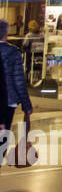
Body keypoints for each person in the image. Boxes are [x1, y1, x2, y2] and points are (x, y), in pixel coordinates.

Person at [0, 20, 33, 161]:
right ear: (6, 33)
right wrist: (26, 104)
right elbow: (18, 80)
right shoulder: (12, 52)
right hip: (8, 100)